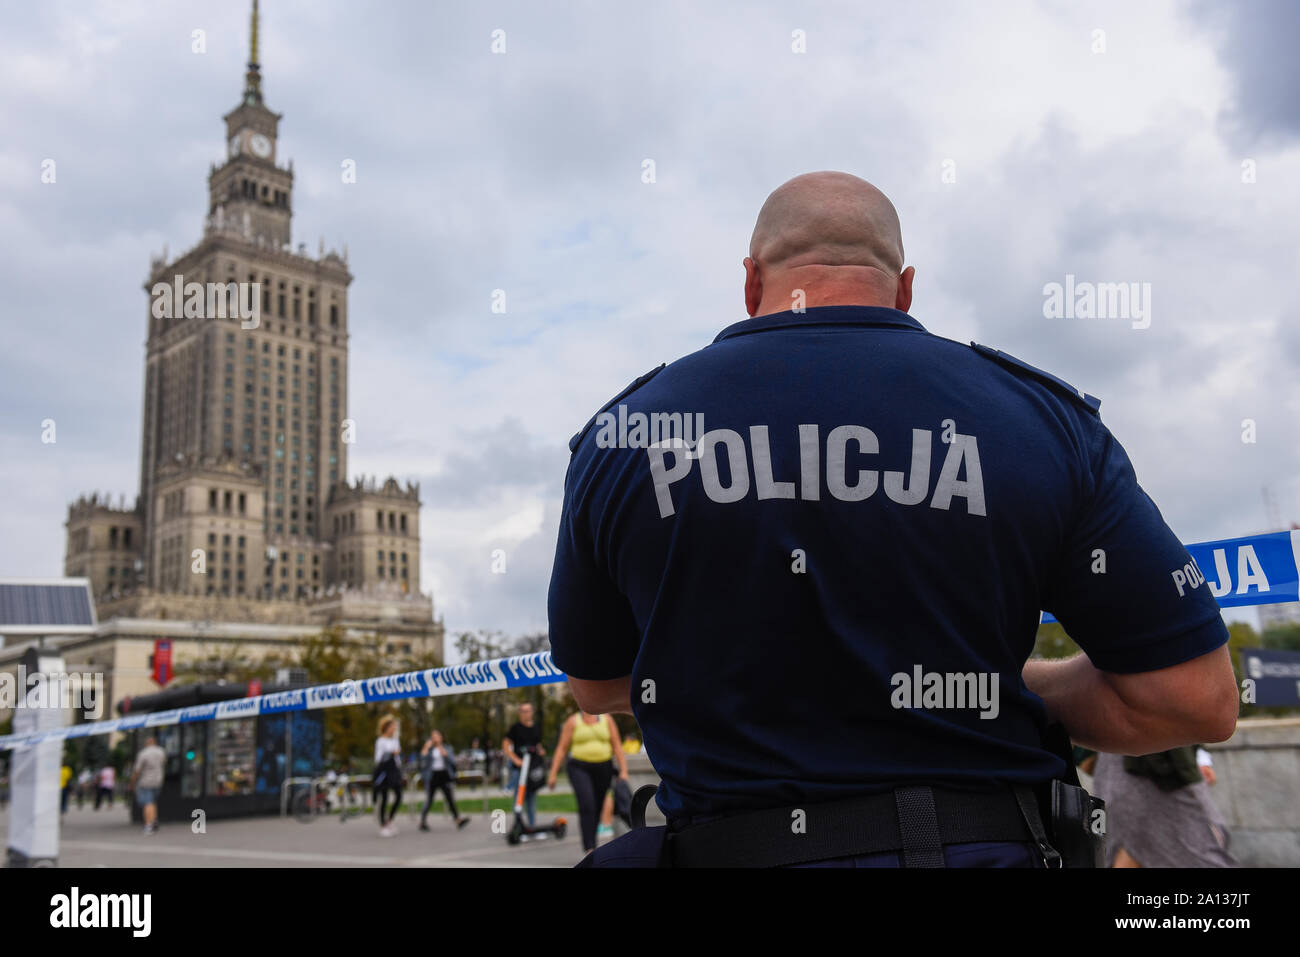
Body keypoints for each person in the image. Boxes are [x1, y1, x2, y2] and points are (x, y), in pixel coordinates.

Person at [547, 171, 1239, 867]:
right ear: (905, 288)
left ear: (752, 282)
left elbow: (598, 685)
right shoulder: (1038, 422)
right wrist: (978, 684)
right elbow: (1189, 699)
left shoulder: (624, 435)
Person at [1092, 746, 1238, 868]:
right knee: (1203, 848)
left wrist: (1200, 756)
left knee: (1130, 851)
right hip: (1151, 770)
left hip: (1140, 767)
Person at [546, 710, 630, 853]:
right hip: (579, 768)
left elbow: (616, 745)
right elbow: (561, 748)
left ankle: (593, 843)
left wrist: (624, 770)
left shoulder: (607, 720)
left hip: (603, 767)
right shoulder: (573, 721)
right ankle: (589, 848)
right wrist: (553, 773)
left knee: (597, 806)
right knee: (587, 804)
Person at [503, 703, 545, 828]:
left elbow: (537, 744)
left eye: (528, 711)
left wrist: (541, 750)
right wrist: (515, 759)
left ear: (532, 712)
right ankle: (518, 823)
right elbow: (505, 744)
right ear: (519, 713)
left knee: (531, 797)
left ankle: (532, 825)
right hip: (519, 767)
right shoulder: (515, 728)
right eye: (522, 711)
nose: (525, 713)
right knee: (519, 797)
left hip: (532, 767)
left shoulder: (537, 727)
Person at [419, 730, 470, 831]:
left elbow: (451, 760)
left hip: (444, 775)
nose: (435, 738)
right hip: (432, 776)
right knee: (429, 799)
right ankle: (422, 821)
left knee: (450, 798)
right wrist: (426, 747)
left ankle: (458, 820)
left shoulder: (447, 748)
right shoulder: (430, 749)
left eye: (437, 736)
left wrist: (441, 748)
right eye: (433, 736)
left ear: (441, 737)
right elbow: (422, 759)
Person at [372, 716, 404, 837]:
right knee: (384, 797)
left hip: (394, 771)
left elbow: (398, 758)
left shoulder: (395, 740)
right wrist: (390, 753)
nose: (393, 729)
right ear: (386, 727)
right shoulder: (381, 741)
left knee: (399, 795)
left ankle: (389, 820)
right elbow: (378, 759)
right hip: (385, 770)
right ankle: (383, 825)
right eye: (391, 726)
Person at [130, 736, 166, 834]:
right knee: (152, 801)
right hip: (158, 780)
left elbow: (137, 770)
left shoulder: (143, 753)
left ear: (147, 743)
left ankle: (148, 825)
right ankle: (154, 821)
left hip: (146, 781)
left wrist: (132, 782)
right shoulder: (161, 752)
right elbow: (164, 762)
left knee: (147, 803)